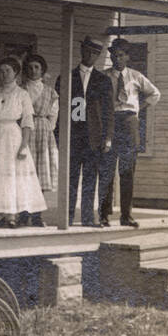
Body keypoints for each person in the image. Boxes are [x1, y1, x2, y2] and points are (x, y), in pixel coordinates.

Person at [0, 58, 47, 228]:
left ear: (16, 73)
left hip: (12, 137)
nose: (4, 74)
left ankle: (12, 215)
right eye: (1, 71)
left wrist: (23, 145)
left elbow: (27, 122)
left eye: (8, 71)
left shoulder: (21, 94)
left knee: (11, 176)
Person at [103, 38, 161, 228]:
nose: (116, 59)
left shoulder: (136, 77)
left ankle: (126, 215)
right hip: (110, 122)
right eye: (113, 55)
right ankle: (104, 215)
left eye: (120, 55)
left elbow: (155, 94)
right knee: (107, 170)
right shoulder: (104, 76)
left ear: (127, 57)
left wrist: (139, 108)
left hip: (129, 122)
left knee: (127, 171)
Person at [59, 36, 114, 227]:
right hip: (73, 136)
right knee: (71, 178)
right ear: (81, 51)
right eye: (88, 51)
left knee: (91, 179)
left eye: (95, 53)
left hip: (94, 137)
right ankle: (66, 217)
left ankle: (88, 218)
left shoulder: (103, 80)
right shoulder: (67, 77)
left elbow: (108, 112)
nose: (91, 56)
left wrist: (107, 138)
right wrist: (60, 137)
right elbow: (59, 110)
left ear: (99, 56)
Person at [23, 54, 59, 196]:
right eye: (30, 67)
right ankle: (25, 213)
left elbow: (54, 112)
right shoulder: (21, 89)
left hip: (43, 131)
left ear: (42, 70)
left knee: (42, 172)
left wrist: (48, 127)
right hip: (25, 129)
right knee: (26, 168)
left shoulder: (49, 91)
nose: (33, 70)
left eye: (36, 67)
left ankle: (37, 214)